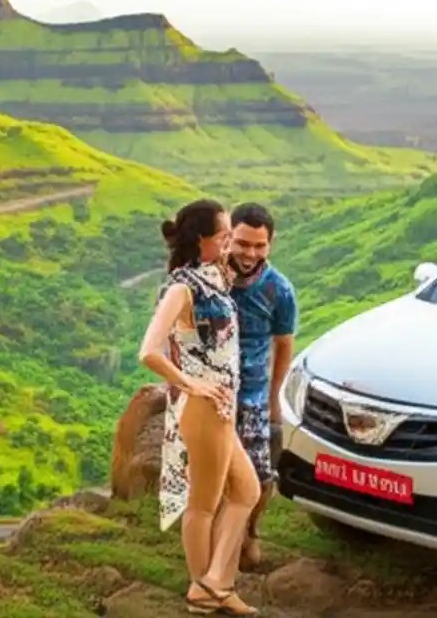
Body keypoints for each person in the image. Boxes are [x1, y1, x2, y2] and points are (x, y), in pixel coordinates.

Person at [138, 198, 261, 616]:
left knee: (247, 490)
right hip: (203, 409)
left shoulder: (211, 277)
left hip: (219, 408)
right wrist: (193, 385)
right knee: (204, 505)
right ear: (201, 240)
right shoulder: (181, 287)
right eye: (223, 235)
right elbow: (149, 351)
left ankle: (216, 582)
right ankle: (202, 589)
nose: (229, 241)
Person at [226, 202, 299, 567]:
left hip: (252, 397)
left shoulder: (279, 290)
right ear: (228, 237)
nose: (250, 254)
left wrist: (274, 399)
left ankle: (250, 531)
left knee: (259, 472)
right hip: (210, 395)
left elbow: (283, 343)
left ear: (270, 244)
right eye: (242, 243)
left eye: (259, 245)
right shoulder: (208, 279)